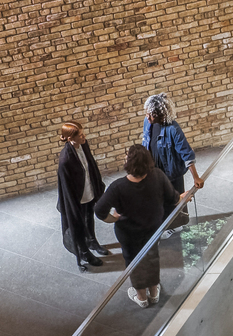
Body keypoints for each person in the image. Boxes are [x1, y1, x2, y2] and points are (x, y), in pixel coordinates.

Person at [97, 144, 179, 308]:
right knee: (152, 257)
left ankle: (141, 297)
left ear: (129, 162)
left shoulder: (118, 187)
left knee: (133, 261)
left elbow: (99, 210)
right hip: (152, 228)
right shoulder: (158, 175)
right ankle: (154, 293)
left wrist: (113, 219)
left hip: (129, 233)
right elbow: (173, 198)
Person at [141, 94, 203, 227]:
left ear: (159, 114)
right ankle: (164, 226)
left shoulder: (173, 129)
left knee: (175, 199)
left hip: (171, 173)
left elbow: (187, 154)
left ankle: (177, 226)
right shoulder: (148, 122)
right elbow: (145, 142)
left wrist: (196, 177)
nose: (147, 117)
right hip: (154, 171)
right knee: (160, 200)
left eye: (150, 114)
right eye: (146, 113)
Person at [56, 120, 108, 272]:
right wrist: (73, 206)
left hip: (88, 189)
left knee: (89, 215)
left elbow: (90, 165)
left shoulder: (83, 145)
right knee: (78, 223)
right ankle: (84, 251)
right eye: (80, 135)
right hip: (76, 196)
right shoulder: (65, 159)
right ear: (70, 138)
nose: (83, 136)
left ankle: (92, 240)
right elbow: (66, 187)